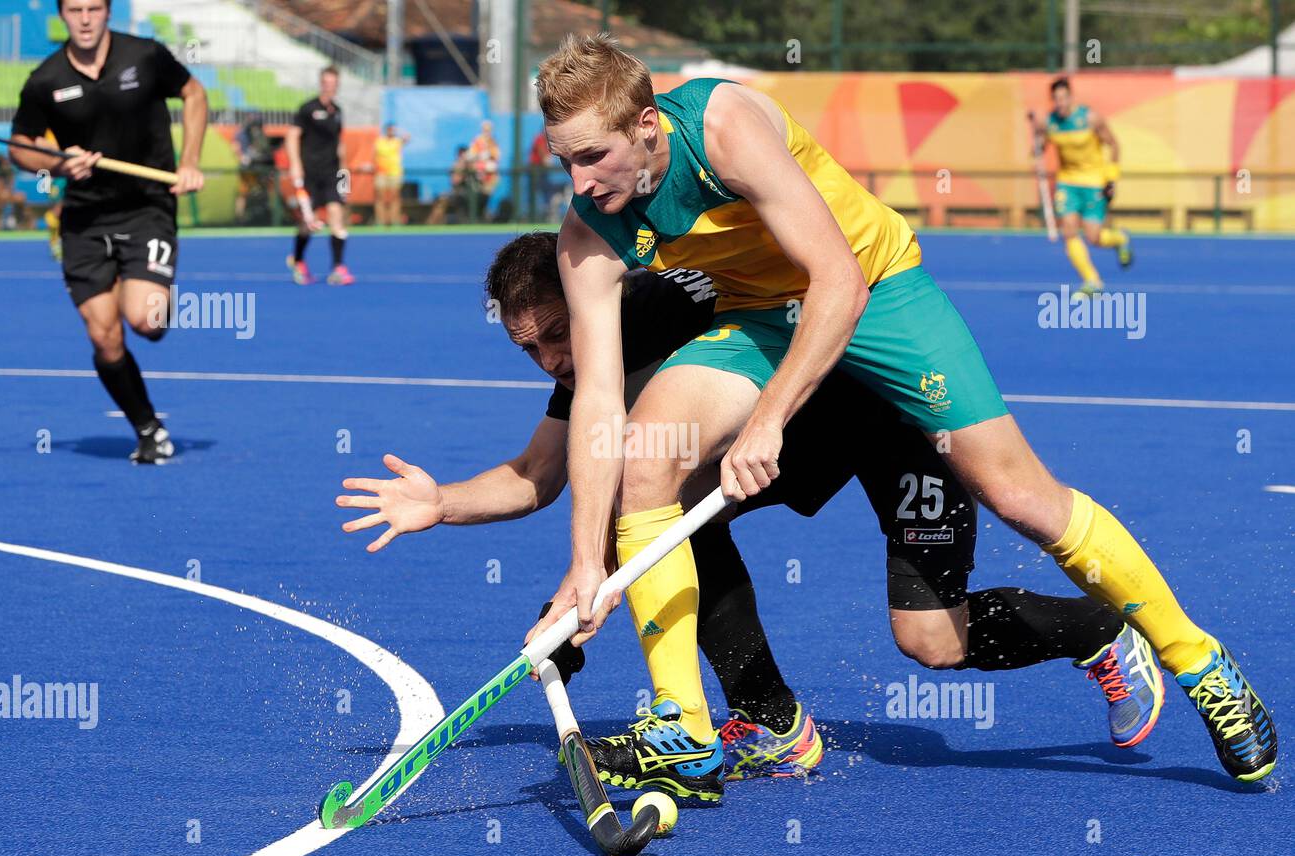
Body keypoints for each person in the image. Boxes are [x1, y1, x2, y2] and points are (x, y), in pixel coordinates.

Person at [526, 34, 1275, 791]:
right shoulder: (588, 231)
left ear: (648, 125)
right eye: (564, 162)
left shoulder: (724, 130)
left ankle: (1198, 662)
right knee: (649, 454)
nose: (580, 182)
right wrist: (588, 562)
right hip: (758, 316)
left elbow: (838, 281)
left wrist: (768, 419)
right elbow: (596, 397)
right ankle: (683, 730)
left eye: (592, 156)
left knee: (1021, 495)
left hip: (877, 291)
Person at [336, 232, 1164, 796]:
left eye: (557, 331)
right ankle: (771, 718)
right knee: (676, 512)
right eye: (529, 348)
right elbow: (539, 474)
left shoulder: (672, 308)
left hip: (890, 424)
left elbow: (637, 476)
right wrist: (441, 503)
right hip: (777, 446)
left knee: (931, 642)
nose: (551, 357)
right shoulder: (588, 358)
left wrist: (579, 588)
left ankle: (1096, 629)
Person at [8, 0, 206, 464]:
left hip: (147, 207)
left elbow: (194, 95)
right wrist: (55, 163)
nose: (84, 18)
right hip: (84, 218)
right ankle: (148, 429)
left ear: (108, 12)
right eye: (74, 9)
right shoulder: (45, 79)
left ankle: (143, 286)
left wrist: (190, 161)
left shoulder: (145, 55)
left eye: (93, 8)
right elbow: (21, 148)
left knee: (147, 321)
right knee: (104, 336)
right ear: (62, 14)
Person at [1028, 77, 1132, 295]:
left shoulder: (1090, 118)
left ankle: (1119, 238)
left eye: (1064, 98)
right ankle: (1093, 281)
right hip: (1067, 183)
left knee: (1094, 237)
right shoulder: (1050, 123)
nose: (1061, 103)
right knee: (1069, 231)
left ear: (1071, 97)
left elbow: (1114, 145)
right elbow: (1040, 147)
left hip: (1094, 183)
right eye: (1056, 99)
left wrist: (1111, 178)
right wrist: (1036, 141)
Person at [285, 65, 353, 285]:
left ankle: (338, 267)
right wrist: (295, 165)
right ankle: (299, 260)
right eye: (326, 83)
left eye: (333, 84)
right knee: (308, 223)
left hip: (332, 173)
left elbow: (340, 144)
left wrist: (345, 176)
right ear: (321, 83)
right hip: (310, 174)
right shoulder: (307, 109)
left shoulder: (338, 111)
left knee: (336, 215)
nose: (329, 88)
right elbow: (292, 137)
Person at [372, 122, 408, 227]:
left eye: (393, 130)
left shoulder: (397, 141)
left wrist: (399, 131)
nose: (392, 131)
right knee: (380, 197)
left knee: (395, 197)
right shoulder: (379, 141)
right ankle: (380, 221)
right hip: (381, 172)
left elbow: (408, 137)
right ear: (386, 130)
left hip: (395, 172)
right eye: (390, 129)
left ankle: (395, 220)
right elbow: (374, 155)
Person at [466, 119, 500, 219]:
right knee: (477, 197)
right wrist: (479, 156)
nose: (487, 131)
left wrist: (489, 156)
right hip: (478, 174)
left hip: (489, 176)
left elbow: (496, 157)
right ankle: (475, 216)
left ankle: (482, 215)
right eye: (485, 129)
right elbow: (470, 155)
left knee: (486, 197)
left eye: (489, 129)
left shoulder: (492, 142)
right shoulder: (477, 141)